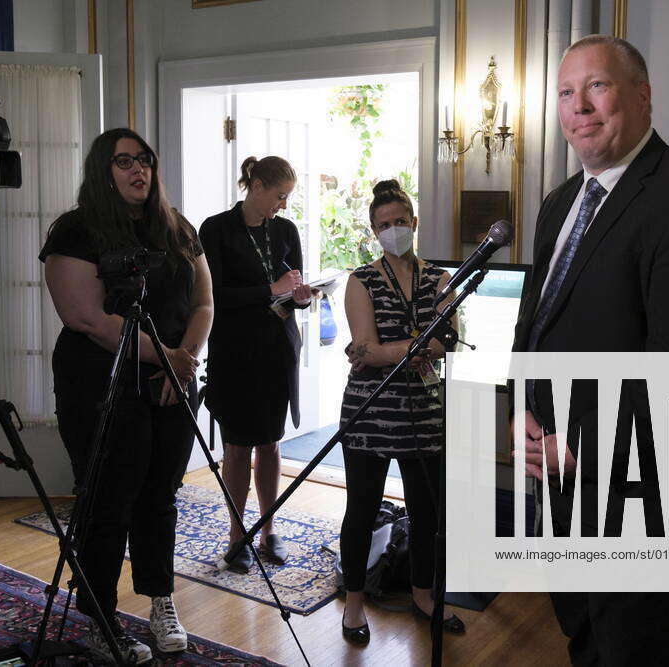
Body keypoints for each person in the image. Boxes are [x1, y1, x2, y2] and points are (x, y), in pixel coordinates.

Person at [510, 36, 669, 665]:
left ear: (642, 96)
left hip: (642, 484)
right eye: (566, 92)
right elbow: (533, 321)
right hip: (557, 473)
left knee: (634, 651)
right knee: (584, 635)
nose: (579, 106)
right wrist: (520, 407)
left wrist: (578, 448)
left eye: (597, 86)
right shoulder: (560, 203)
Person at [40, 128, 213, 663]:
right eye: (123, 162)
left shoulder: (175, 226)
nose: (138, 170)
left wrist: (183, 361)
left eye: (144, 160)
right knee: (106, 503)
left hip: (172, 380)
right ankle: (100, 616)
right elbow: (87, 317)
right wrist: (166, 357)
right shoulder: (77, 230)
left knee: (160, 496)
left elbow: (204, 303)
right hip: (101, 383)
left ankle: (161, 600)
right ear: (103, 171)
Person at [338, 179, 466, 645]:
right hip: (369, 414)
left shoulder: (440, 279)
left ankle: (423, 595)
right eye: (383, 225)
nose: (393, 230)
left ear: (413, 222)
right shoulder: (361, 280)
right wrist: (413, 346)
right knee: (361, 509)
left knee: (427, 512)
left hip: (424, 410)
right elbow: (365, 349)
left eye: (399, 221)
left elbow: (447, 341)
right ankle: (354, 604)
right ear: (374, 231)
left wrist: (387, 350)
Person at [198, 156, 313, 574]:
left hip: (278, 351)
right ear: (257, 185)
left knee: (271, 442)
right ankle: (236, 536)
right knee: (237, 446)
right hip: (234, 353)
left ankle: (268, 530)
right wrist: (270, 288)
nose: (283, 205)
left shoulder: (285, 230)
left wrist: (300, 297)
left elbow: (291, 287)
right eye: (280, 196)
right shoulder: (216, 229)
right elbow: (213, 296)